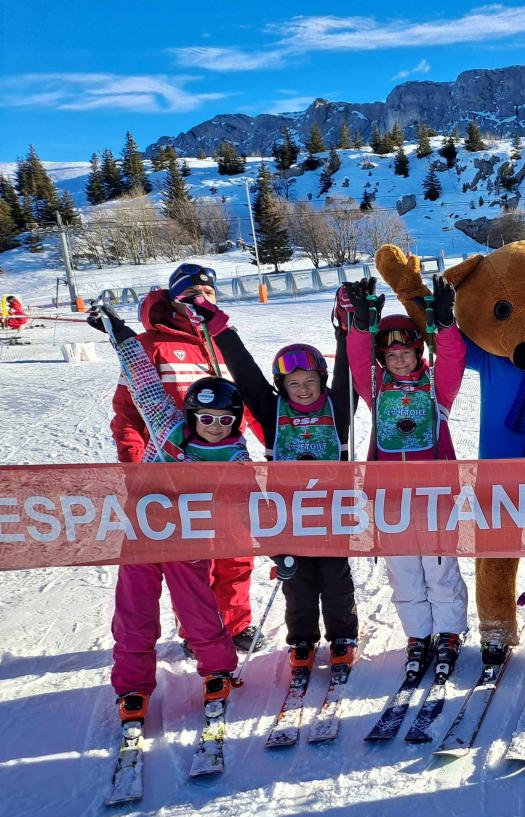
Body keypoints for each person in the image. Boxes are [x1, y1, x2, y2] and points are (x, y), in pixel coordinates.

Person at [87, 302, 243, 724]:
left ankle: (217, 670)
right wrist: (122, 337)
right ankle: (132, 685)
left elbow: (250, 503)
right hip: (143, 530)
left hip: (188, 538)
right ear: (191, 415)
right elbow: (145, 384)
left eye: (224, 420)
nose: (214, 426)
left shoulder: (235, 457)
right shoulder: (167, 426)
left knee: (197, 607)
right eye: (205, 417)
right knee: (134, 610)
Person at [189, 293, 360, 675]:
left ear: (322, 381)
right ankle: (302, 640)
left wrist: (347, 328)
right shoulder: (273, 411)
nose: (303, 389)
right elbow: (246, 373)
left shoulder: (338, 407)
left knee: (335, 580)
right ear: (282, 385)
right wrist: (219, 327)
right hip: (288, 517)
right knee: (297, 583)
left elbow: (349, 369)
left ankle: (343, 637)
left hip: (332, 514)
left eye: (310, 381)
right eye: (293, 382)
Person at [109, 263, 260, 653]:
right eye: (192, 295)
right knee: (194, 560)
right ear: (174, 300)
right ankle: (199, 630)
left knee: (236, 552)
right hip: (174, 472)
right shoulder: (152, 345)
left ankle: (236, 623)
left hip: (226, 466)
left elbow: (250, 405)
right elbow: (129, 412)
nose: (201, 301)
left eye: (209, 294)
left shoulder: (220, 342)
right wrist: (135, 467)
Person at [344, 276, 469, 678]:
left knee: (440, 569)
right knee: (404, 573)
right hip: (391, 499)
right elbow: (357, 361)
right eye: (390, 354)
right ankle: (418, 635)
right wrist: (360, 327)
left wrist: (445, 325)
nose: (398, 360)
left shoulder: (436, 389)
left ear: (418, 352)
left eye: (406, 352)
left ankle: (448, 632)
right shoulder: (377, 389)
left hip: (434, 496)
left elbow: (453, 359)